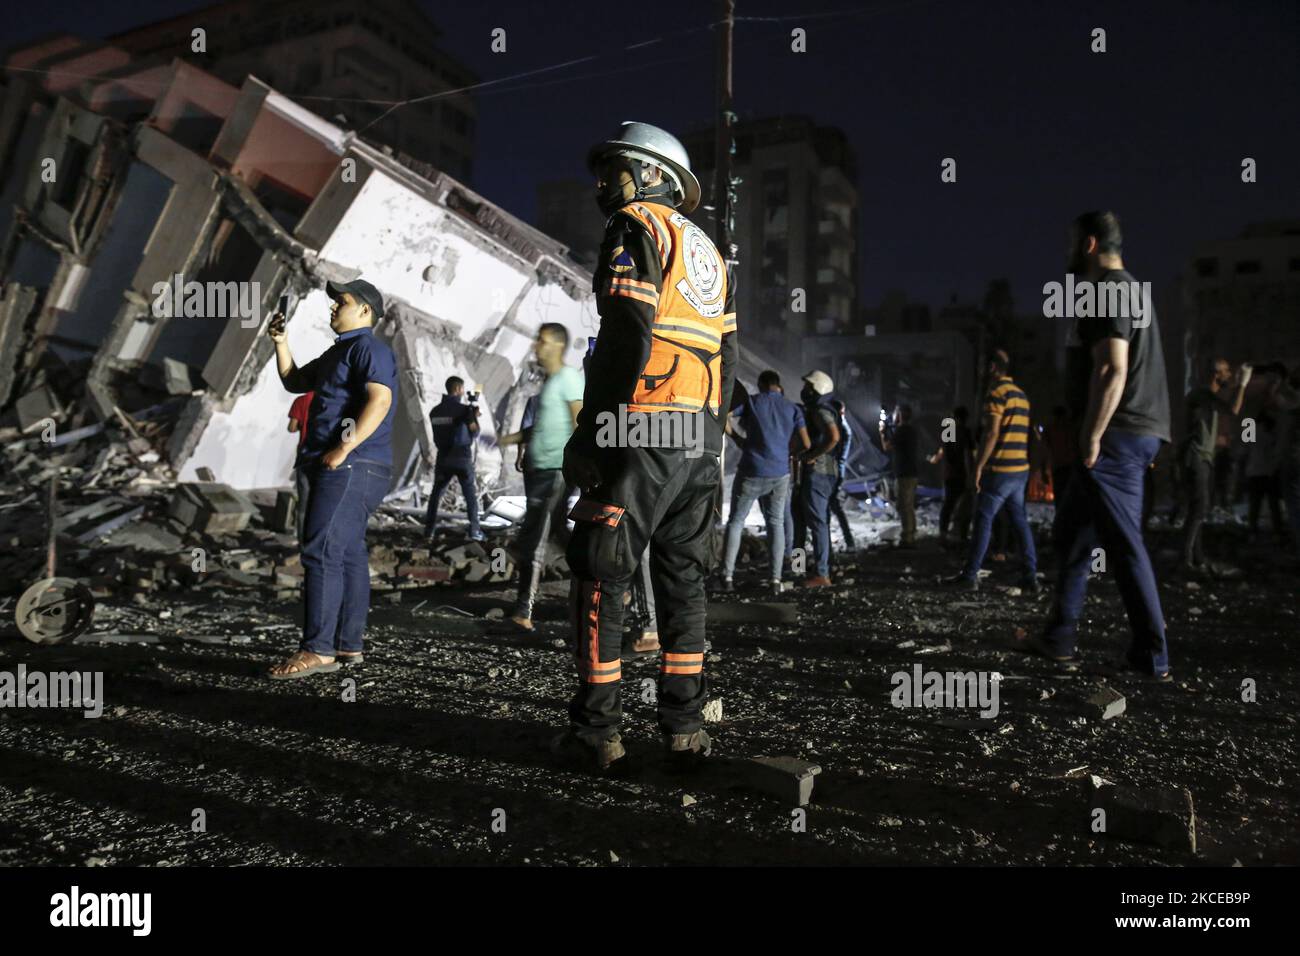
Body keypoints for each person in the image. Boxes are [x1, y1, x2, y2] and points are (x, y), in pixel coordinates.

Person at [557, 121, 737, 769]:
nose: (603, 183)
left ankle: (598, 731)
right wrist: (713, 434)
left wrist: (593, 431)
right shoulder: (710, 252)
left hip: (645, 422)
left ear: (651, 175)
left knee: (600, 568)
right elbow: (729, 352)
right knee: (684, 580)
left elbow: (625, 332)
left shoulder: (636, 225)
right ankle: (684, 726)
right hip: (698, 430)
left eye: (614, 169)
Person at [1025, 211, 1173, 681]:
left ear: (1088, 244)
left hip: (1116, 435)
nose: (1066, 251)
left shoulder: (1105, 289)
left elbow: (1112, 367)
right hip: (1136, 432)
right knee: (1072, 536)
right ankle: (1058, 637)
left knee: (1125, 545)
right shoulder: (1133, 290)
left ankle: (1153, 657)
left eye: (1070, 242)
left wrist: (1090, 435)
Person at [266, 278, 397, 679]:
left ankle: (318, 649)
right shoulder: (338, 352)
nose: (333, 307)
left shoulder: (368, 348)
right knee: (348, 552)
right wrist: (280, 341)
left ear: (365, 312)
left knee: (320, 550)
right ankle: (347, 645)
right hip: (348, 463)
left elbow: (381, 398)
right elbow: (293, 382)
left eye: (341, 302)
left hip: (352, 463)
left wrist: (344, 447)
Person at [496, 324, 584, 632]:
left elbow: (579, 421)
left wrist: (580, 465)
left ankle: (523, 611)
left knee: (534, 538)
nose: (536, 345)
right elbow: (543, 427)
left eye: (543, 341)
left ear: (558, 346)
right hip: (539, 470)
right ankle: (604, 580)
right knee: (557, 534)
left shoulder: (569, 378)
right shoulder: (549, 384)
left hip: (555, 471)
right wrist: (510, 439)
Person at [950, 349, 1037, 590]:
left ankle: (969, 575)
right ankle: (1030, 574)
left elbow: (991, 433)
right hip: (1020, 469)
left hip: (1000, 469)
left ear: (992, 368)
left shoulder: (996, 393)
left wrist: (978, 468)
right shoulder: (1021, 396)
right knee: (1020, 522)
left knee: (983, 519)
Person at [719, 370, 809, 594]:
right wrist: (787, 452)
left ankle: (727, 576)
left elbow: (725, 417)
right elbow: (806, 443)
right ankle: (775, 580)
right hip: (779, 473)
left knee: (736, 522)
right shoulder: (793, 408)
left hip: (751, 470)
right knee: (776, 523)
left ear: (760, 385)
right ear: (778, 386)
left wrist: (738, 439)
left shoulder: (753, 402)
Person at [1179, 357, 1250, 576]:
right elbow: (1233, 410)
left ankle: (1196, 557)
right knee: (1199, 508)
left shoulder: (1205, 397)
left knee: (1199, 508)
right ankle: (1186, 560)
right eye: (1226, 371)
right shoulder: (1202, 394)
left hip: (1203, 457)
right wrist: (1242, 384)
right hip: (1196, 457)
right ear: (1216, 374)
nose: (1229, 375)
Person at [424, 376, 483, 542]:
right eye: (462, 389)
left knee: (436, 495)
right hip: (462, 458)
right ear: (458, 389)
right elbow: (475, 432)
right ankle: (475, 531)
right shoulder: (465, 410)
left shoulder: (434, 412)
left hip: (443, 458)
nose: (463, 393)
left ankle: (429, 531)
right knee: (470, 495)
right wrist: (474, 416)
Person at [798, 370, 841, 586]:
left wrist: (811, 456)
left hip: (818, 473)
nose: (805, 391)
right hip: (829, 473)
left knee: (817, 523)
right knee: (818, 521)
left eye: (809, 387)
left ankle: (822, 574)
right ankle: (818, 568)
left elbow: (834, 437)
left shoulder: (820, 411)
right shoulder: (829, 409)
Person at [929, 405, 974, 546]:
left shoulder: (949, 430)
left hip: (950, 474)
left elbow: (943, 449)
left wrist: (935, 459)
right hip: (962, 474)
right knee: (965, 505)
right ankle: (962, 535)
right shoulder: (966, 432)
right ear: (966, 418)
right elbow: (968, 454)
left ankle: (943, 533)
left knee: (948, 504)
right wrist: (971, 474)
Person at [880, 404, 919, 548]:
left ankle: (907, 538)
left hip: (904, 473)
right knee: (908, 506)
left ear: (901, 415)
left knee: (903, 506)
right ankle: (911, 533)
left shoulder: (902, 430)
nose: (893, 416)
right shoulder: (911, 430)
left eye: (896, 413)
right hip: (911, 472)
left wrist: (882, 432)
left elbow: (887, 446)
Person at [286, 389, 315, 540]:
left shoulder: (301, 401)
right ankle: (315, 540)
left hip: (304, 457)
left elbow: (291, 428)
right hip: (323, 458)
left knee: (303, 503)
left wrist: (302, 425)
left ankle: (302, 541)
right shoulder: (331, 400)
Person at [829, 399, 856, 549]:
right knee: (834, 507)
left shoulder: (841, 429)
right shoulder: (842, 427)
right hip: (837, 472)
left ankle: (849, 543)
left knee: (833, 508)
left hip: (835, 472)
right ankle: (849, 542)